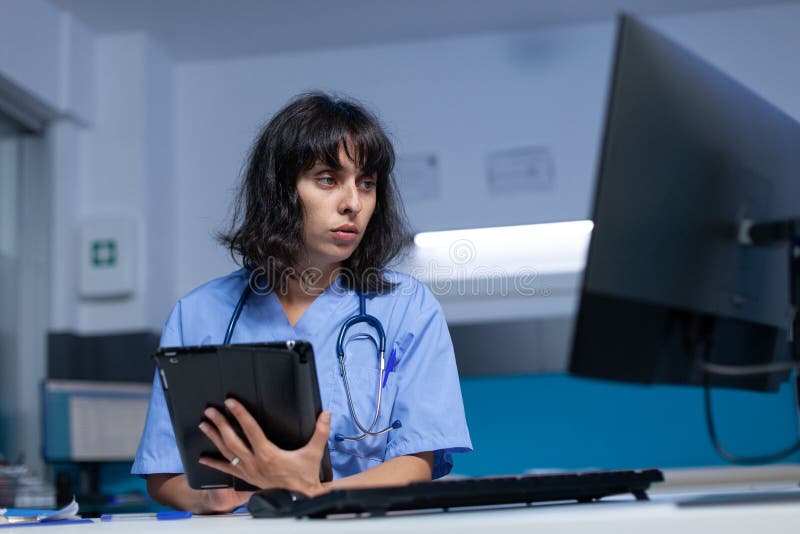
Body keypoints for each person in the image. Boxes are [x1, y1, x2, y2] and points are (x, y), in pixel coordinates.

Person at [132, 93, 472, 513]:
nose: (353, 203)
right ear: (279, 190)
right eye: (328, 179)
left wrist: (311, 495)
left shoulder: (407, 307)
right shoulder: (198, 313)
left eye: (366, 183)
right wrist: (215, 496)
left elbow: (416, 461)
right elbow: (164, 475)